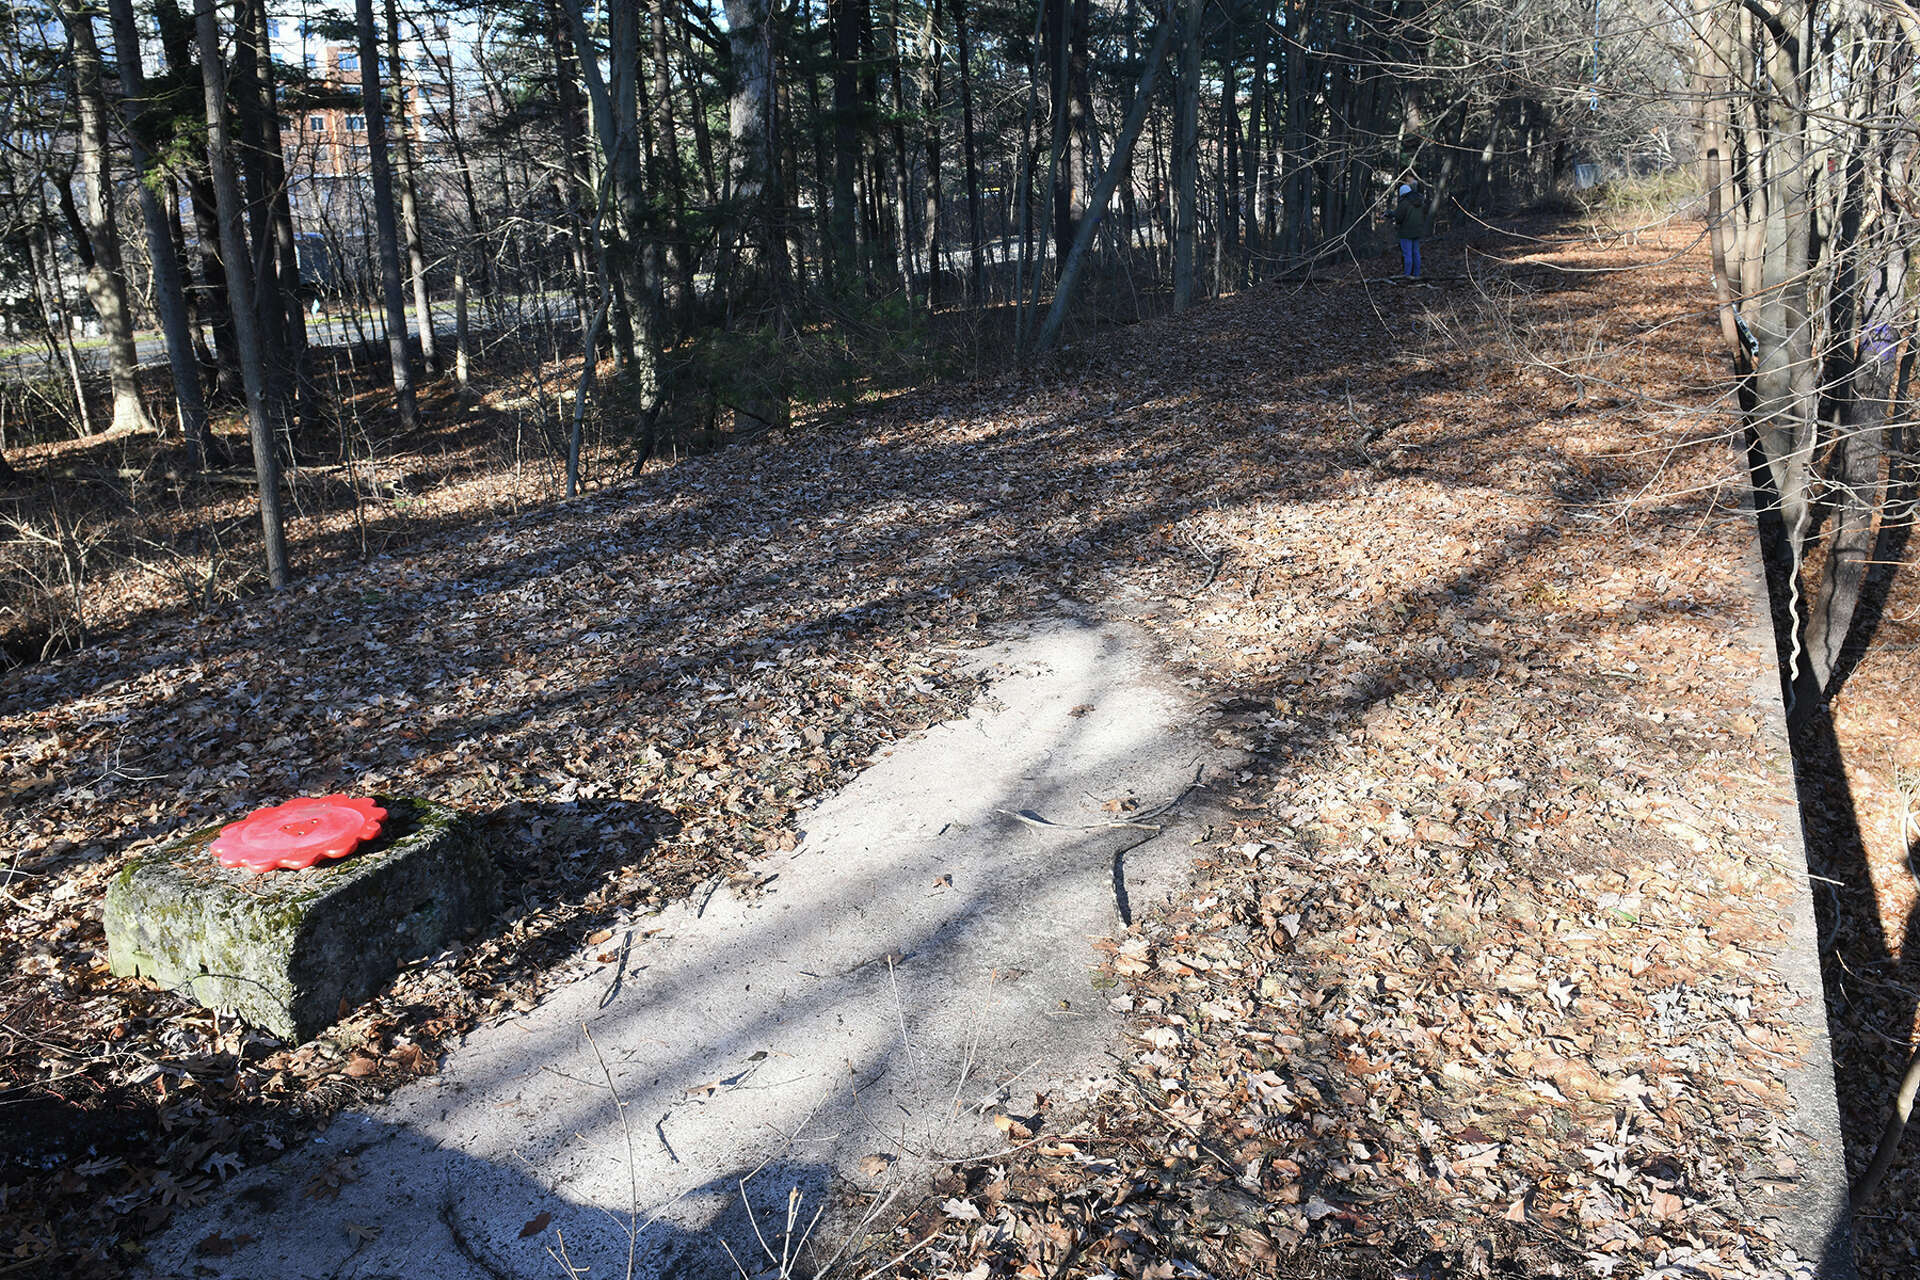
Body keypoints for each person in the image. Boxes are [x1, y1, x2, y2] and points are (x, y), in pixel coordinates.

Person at [1391, 183, 1431, 280]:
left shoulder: (1404, 203)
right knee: (1416, 253)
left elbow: (1399, 218)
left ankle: (1407, 275)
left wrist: (1392, 215)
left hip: (1406, 232)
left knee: (1407, 254)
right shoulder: (1420, 201)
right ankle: (1416, 275)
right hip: (1417, 231)